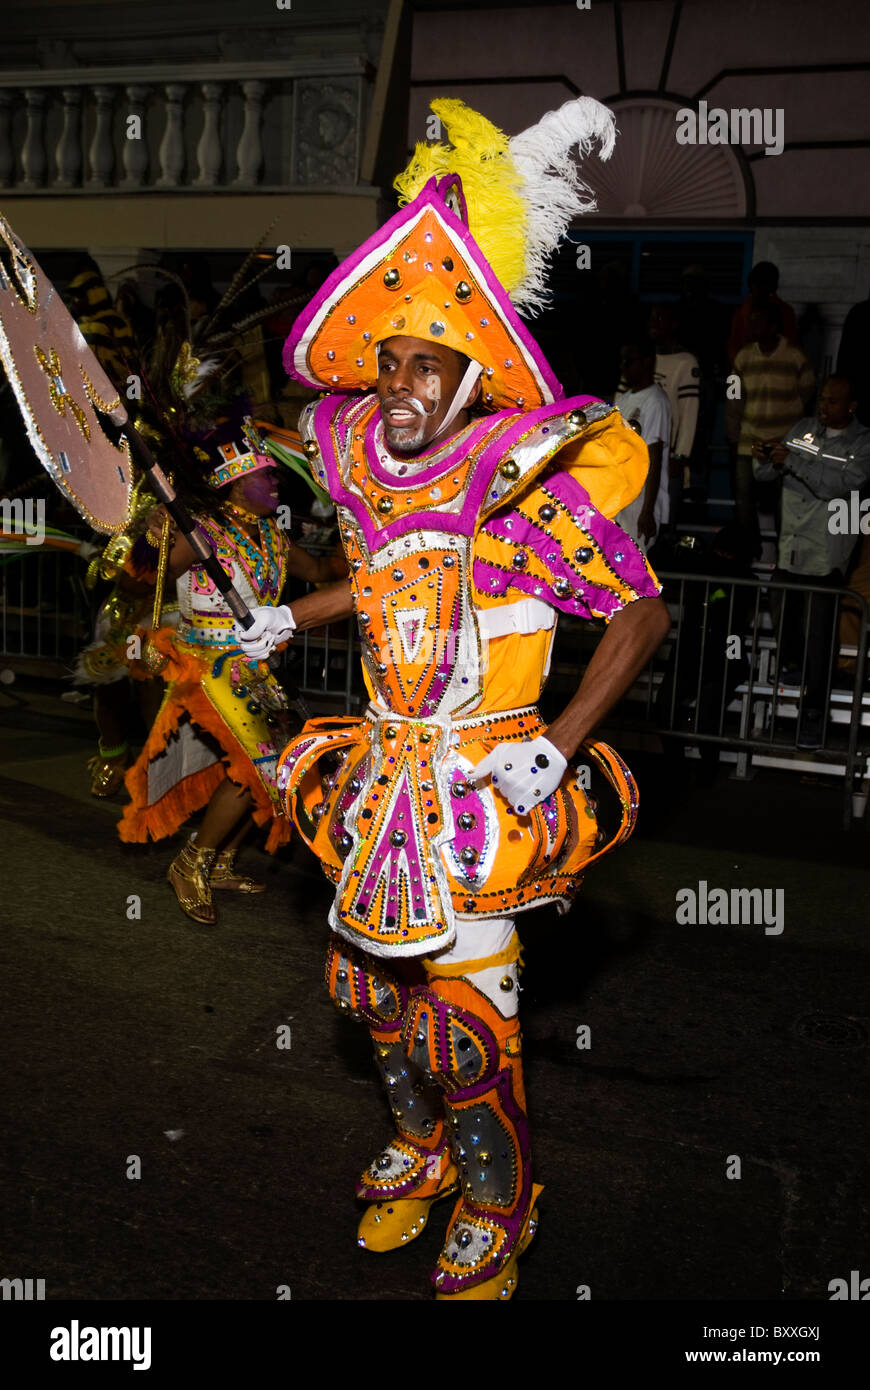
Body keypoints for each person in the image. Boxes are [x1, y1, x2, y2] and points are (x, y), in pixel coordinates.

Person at [234, 95, 672, 1301]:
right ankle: (424, 1149)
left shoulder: (527, 491)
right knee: (369, 991)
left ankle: (500, 1199)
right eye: (390, 358)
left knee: (465, 1023)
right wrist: (291, 616)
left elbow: (643, 615)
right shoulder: (377, 481)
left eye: (429, 362)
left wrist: (559, 748)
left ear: (475, 377)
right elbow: (383, 579)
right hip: (381, 780)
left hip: (482, 791)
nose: (401, 383)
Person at [119, 419, 341, 923]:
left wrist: (372, 544)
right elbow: (141, 579)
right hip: (208, 666)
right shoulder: (202, 531)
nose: (278, 483)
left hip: (256, 670)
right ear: (238, 483)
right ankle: (190, 862)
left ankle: (217, 860)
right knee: (255, 766)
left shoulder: (272, 537)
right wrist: (152, 534)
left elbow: (325, 575)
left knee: (277, 772)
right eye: (269, 475)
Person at [753, 376, 870, 749]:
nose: (824, 407)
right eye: (822, 400)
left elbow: (841, 485)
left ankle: (814, 715)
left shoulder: (862, 443)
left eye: (833, 402)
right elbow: (764, 474)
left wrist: (795, 464)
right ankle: (789, 667)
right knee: (781, 607)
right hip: (791, 544)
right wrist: (769, 458)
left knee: (820, 635)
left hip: (827, 551)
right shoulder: (804, 429)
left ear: (852, 405)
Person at [732, 301, 815, 553]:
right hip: (749, 442)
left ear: (772, 325)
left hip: (784, 444)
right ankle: (749, 554)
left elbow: (809, 391)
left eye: (758, 321)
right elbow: (733, 395)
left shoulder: (794, 355)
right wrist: (733, 433)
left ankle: (785, 556)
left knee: (784, 505)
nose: (752, 326)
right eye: (751, 321)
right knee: (744, 502)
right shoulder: (743, 356)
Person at [614, 336, 671, 551]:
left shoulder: (655, 401)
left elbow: (654, 456)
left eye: (629, 360)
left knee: (635, 566)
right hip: (621, 496)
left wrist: (647, 511)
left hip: (641, 500)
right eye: (622, 360)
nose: (623, 366)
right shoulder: (624, 399)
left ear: (647, 362)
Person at [649, 303, 700, 519]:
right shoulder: (641, 357)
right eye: (651, 319)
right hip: (638, 453)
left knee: (664, 521)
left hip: (668, 455)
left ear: (673, 325)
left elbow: (689, 412)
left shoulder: (685, 362)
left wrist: (681, 455)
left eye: (660, 320)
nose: (653, 324)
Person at [727, 260, 798, 365]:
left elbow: (791, 344)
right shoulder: (743, 311)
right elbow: (734, 346)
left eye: (764, 284)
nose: (760, 289)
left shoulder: (785, 311)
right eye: (757, 284)